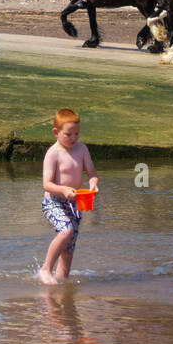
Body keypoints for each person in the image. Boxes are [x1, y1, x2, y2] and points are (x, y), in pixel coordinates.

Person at [38, 108, 98, 285]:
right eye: (68, 134)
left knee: (69, 248)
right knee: (66, 230)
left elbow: (92, 173)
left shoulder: (82, 149)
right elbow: (46, 184)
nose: (73, 138)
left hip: (75, 202)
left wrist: (93, 184)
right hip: (53, 201)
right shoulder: (53, 153)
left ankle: (61, 285)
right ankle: (46, 269)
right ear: (56, 132)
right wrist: (63, 190)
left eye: (77, 134)